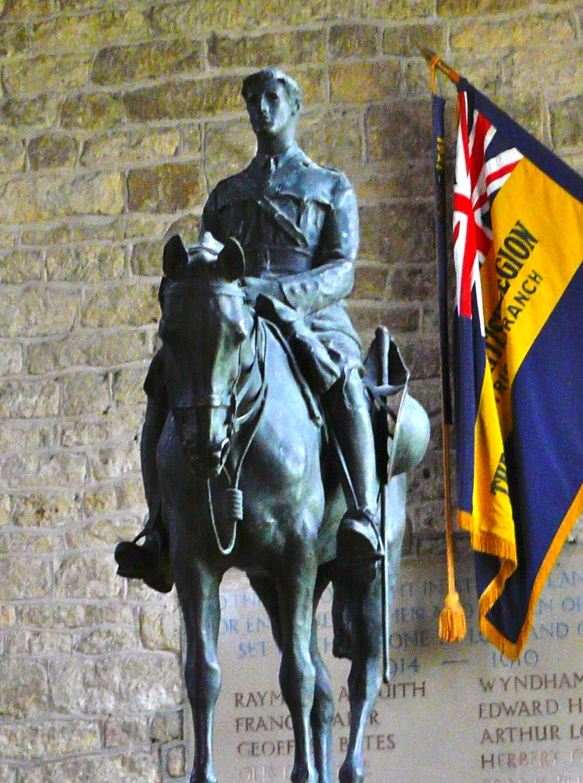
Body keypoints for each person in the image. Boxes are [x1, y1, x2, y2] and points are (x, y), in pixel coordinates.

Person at [114, 67, 382, 592]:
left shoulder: (328, 186)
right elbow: (204, 264)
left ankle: (361, 516)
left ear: (294, 106)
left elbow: (342, 269)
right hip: (237, 321)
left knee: (347, 381)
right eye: (253, 99)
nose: (262, 108)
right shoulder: (226, 195)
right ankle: (159, 530)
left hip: (313, 317)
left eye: (272, 97)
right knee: (162, 386)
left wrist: (277, 294)